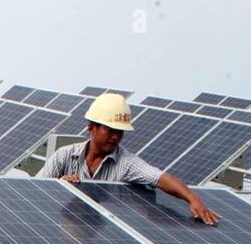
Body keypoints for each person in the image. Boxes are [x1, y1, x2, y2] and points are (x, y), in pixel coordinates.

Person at [37, 93, 220, 225]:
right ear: (92, 128)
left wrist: (192, 199)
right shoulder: (64, 155)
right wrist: (59, 185)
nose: (116, 136)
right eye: (110, 130)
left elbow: (161, 178)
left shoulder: (126, 162)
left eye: (120, 131)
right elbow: (36, 191)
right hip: (59, 224)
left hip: (104, 237)